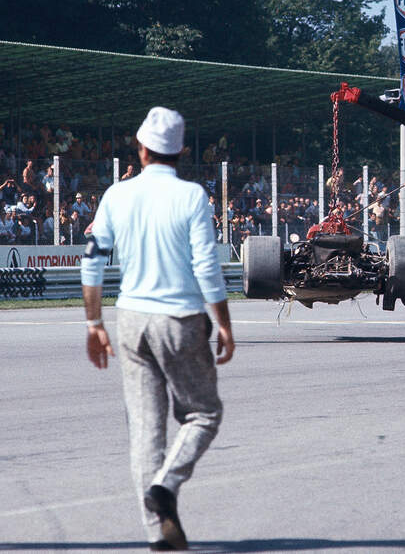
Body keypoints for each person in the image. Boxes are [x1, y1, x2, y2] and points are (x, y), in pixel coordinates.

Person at [81, 107, 235, 551]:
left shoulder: (116, 195)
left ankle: (158, 532)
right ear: (182, 151)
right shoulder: (192, 196)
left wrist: (94, 323)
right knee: (203, 414)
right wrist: (223, 323)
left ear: (141, 146)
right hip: (180, 318)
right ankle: (166, 485)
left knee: (146, 430)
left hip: (129, 318)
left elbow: (91, 261)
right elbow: (207, 266)